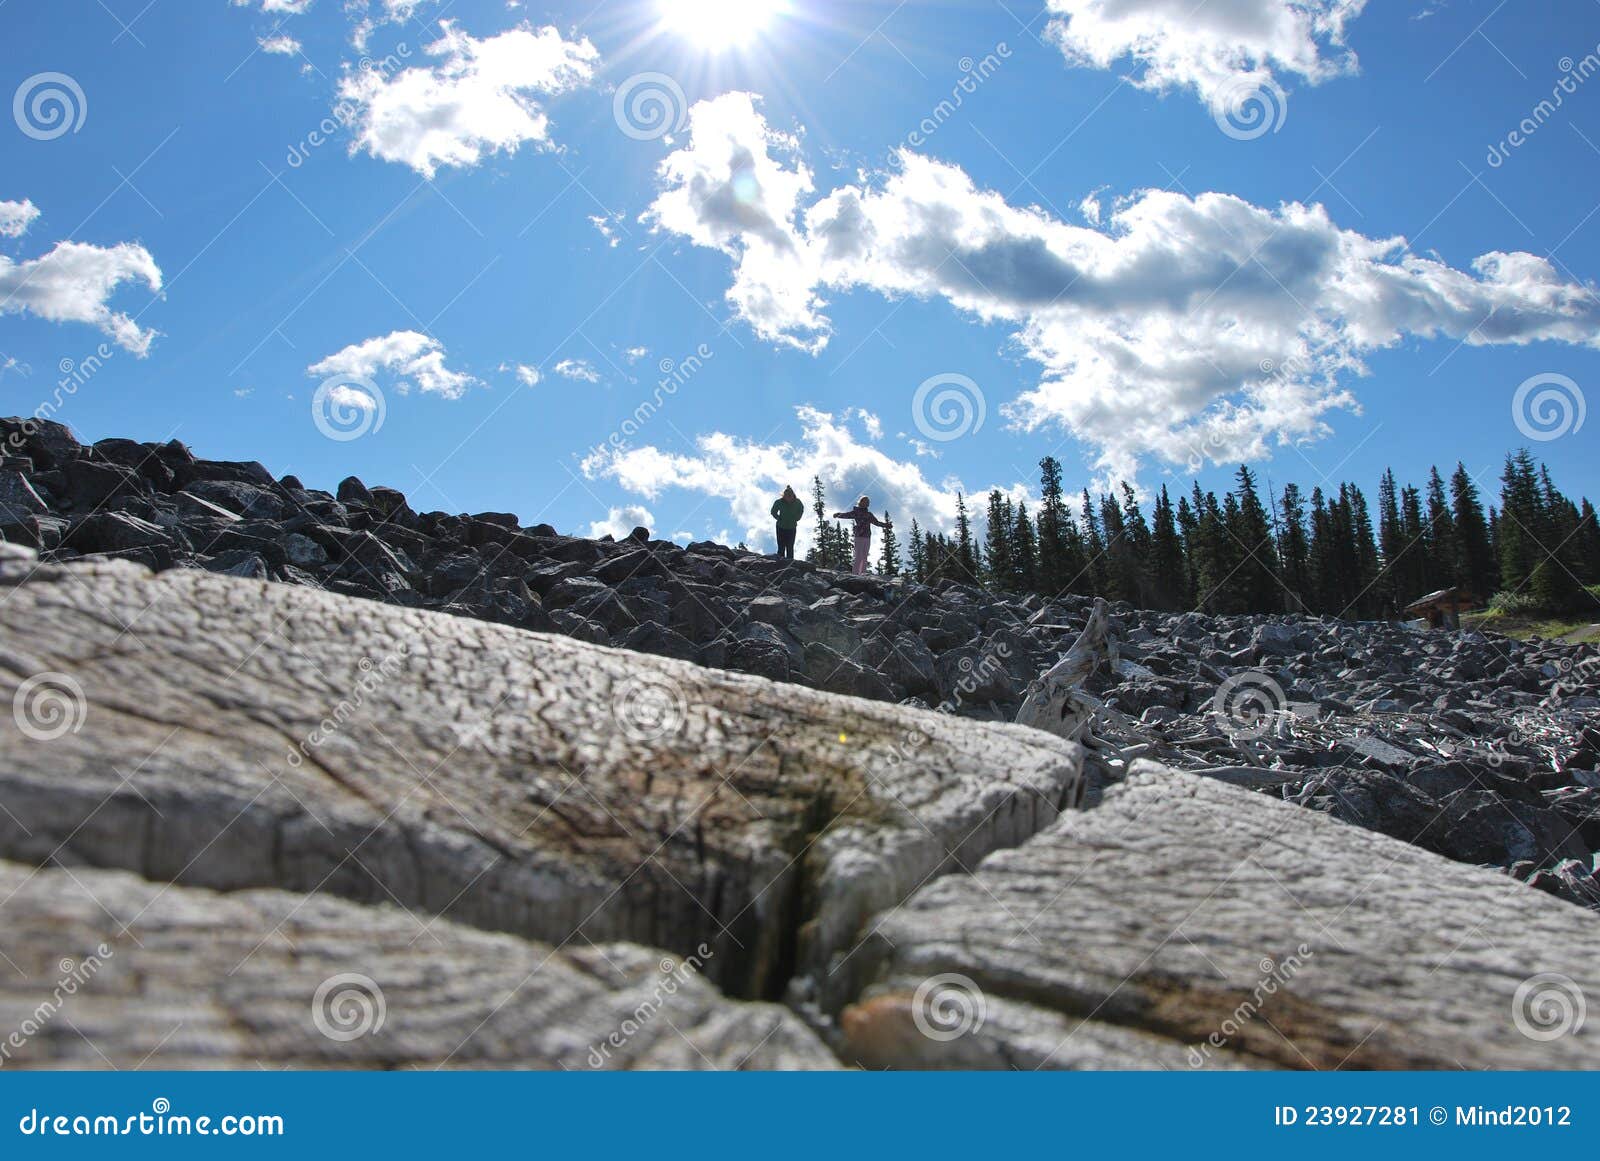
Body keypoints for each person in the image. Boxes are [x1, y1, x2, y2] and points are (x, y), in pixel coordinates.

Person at [832, 494, 887, 576]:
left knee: (865, 556)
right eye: (866, 501)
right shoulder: (856, 512)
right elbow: (847, 515)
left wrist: (886, 525)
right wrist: (838, 514)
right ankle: (855, 574)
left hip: (867, 537)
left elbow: (877, 523)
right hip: (859, 536)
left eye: (868, 502)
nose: (868, 503)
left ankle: (863, 574)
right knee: (858, 555)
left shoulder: (869, 514)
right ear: (861, 502)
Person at [771, 485, 804, 560]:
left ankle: (790, 566)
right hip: (780, 527)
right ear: (784, 496)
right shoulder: (779, 502)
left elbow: (801, 509)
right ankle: (779, 564)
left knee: (790, 547)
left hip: (792, 528)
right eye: (786, 496)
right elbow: (773, 511)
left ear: (793, 495)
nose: (788, 498)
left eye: (790, 496)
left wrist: (797, 518)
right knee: (781, 547)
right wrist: (779, 518)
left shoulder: (798, 502)